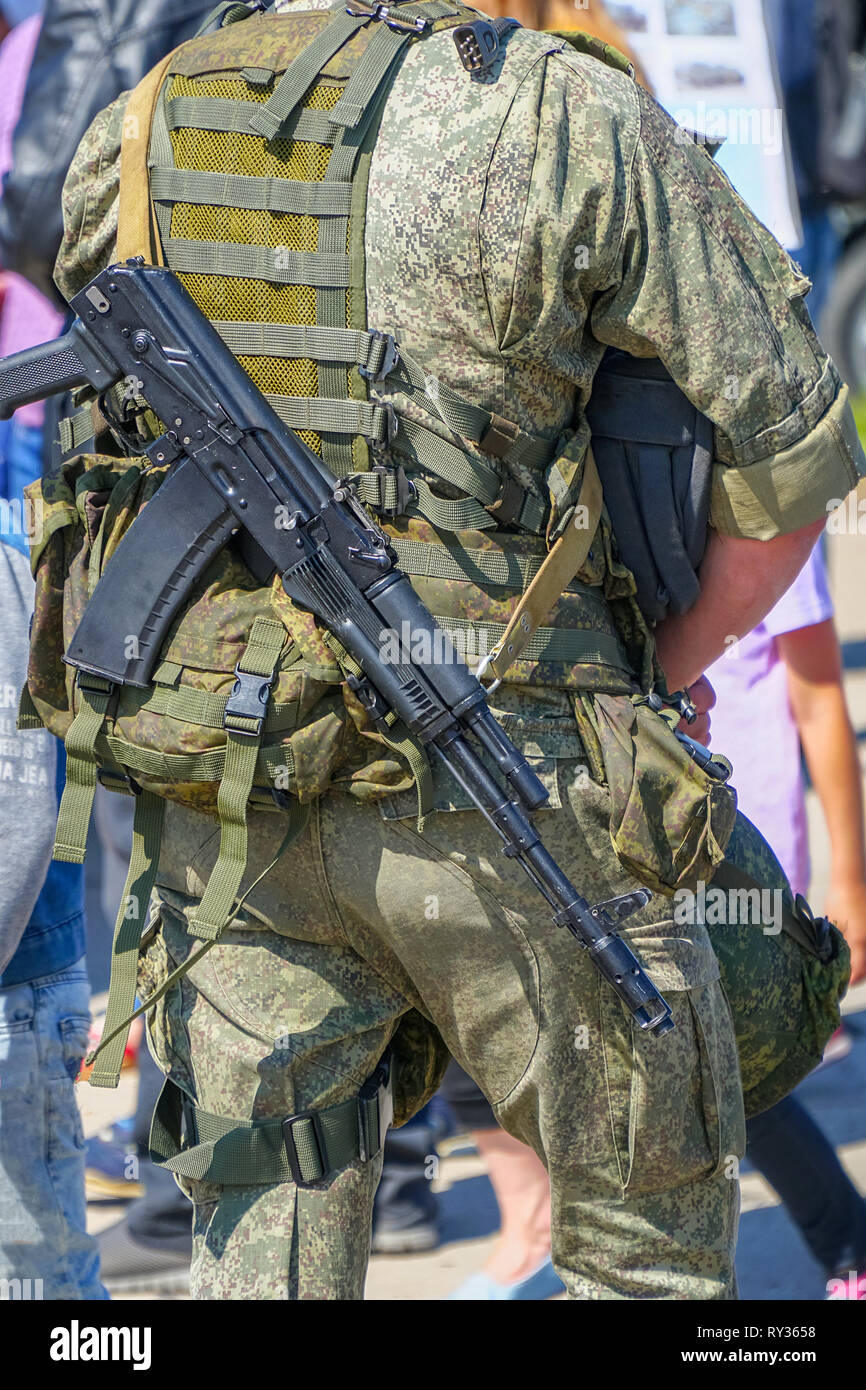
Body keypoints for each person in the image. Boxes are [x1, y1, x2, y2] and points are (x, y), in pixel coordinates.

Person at [50, 0, 864, 1301]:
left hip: (234, 784)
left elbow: (98, 444)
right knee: (644, 1247)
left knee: (263, 1243)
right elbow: (792, 466)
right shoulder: (566, 114)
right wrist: (657, 675)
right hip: (522, 776)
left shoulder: (143, 118)